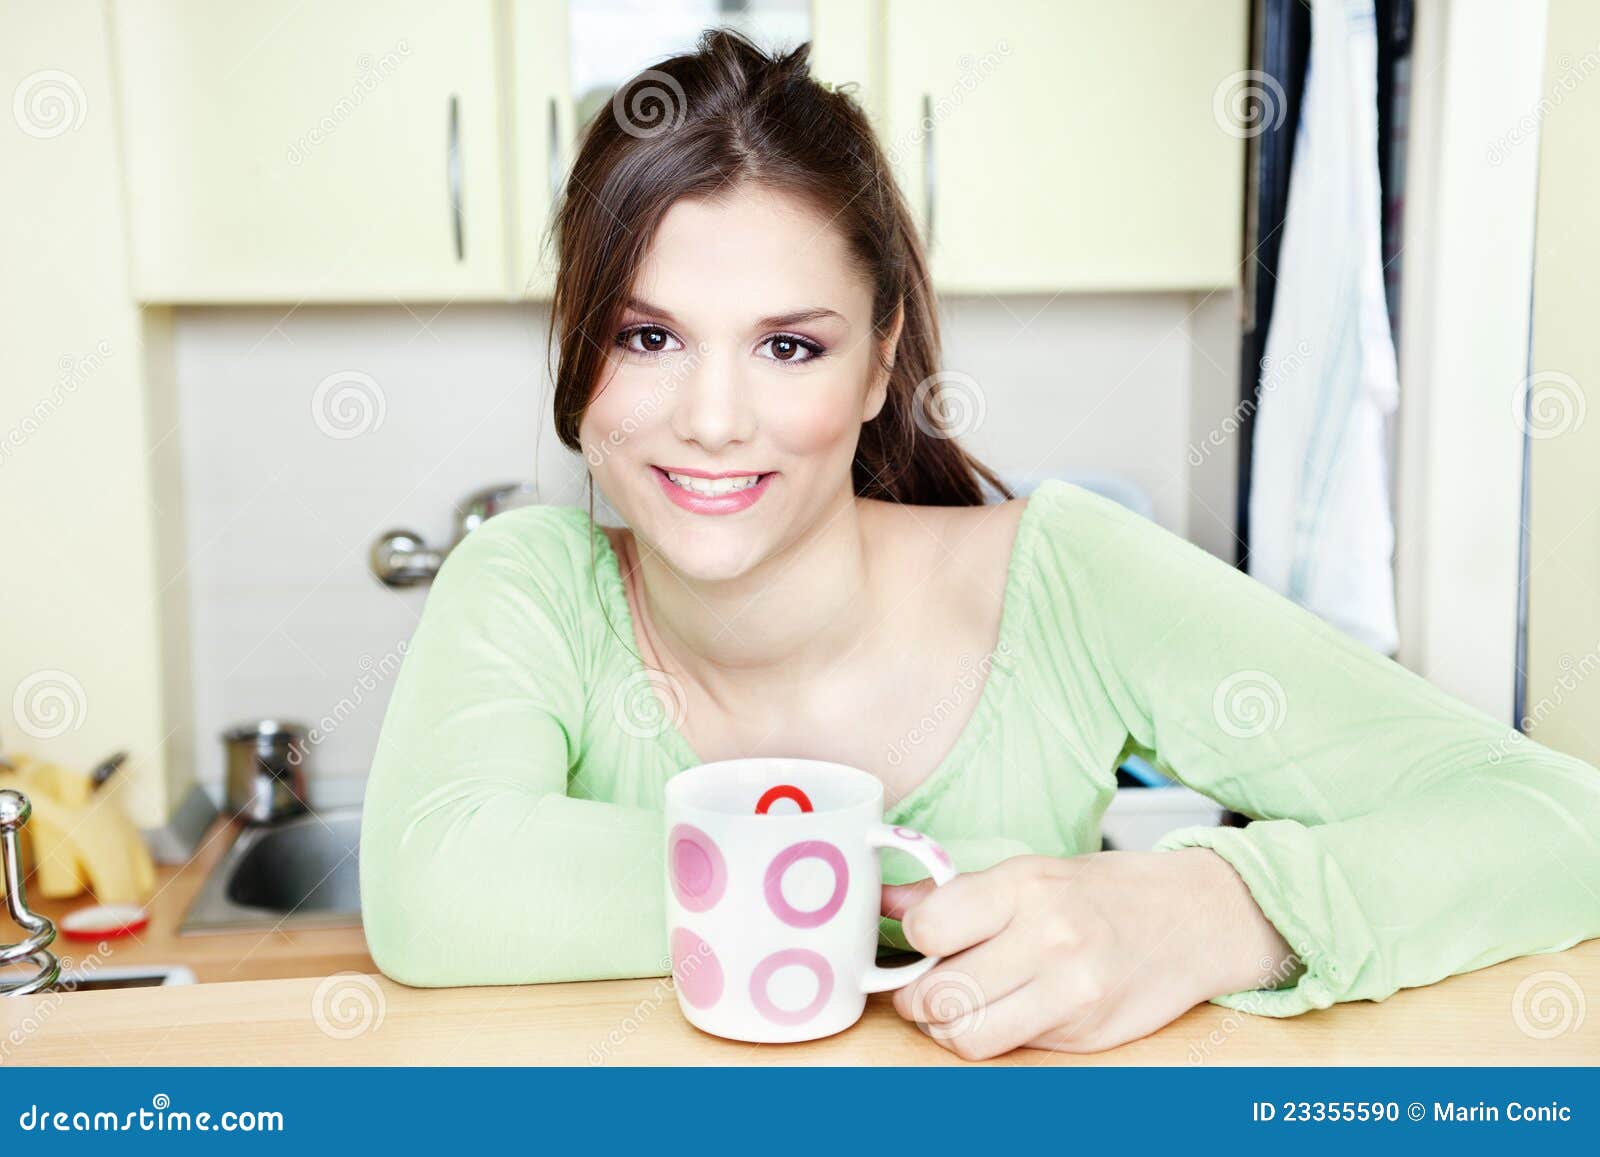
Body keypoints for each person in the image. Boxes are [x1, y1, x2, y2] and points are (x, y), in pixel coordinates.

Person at [359, 30, 1600, 1059]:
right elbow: (436, 887)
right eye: (647, 336)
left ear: (879, 357)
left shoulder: (1065, 576)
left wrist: (1217, 905)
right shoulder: (526, 582)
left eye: (789, 344)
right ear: (577, 350)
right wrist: (920, 888)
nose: (714, 419)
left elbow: (1558, 822)